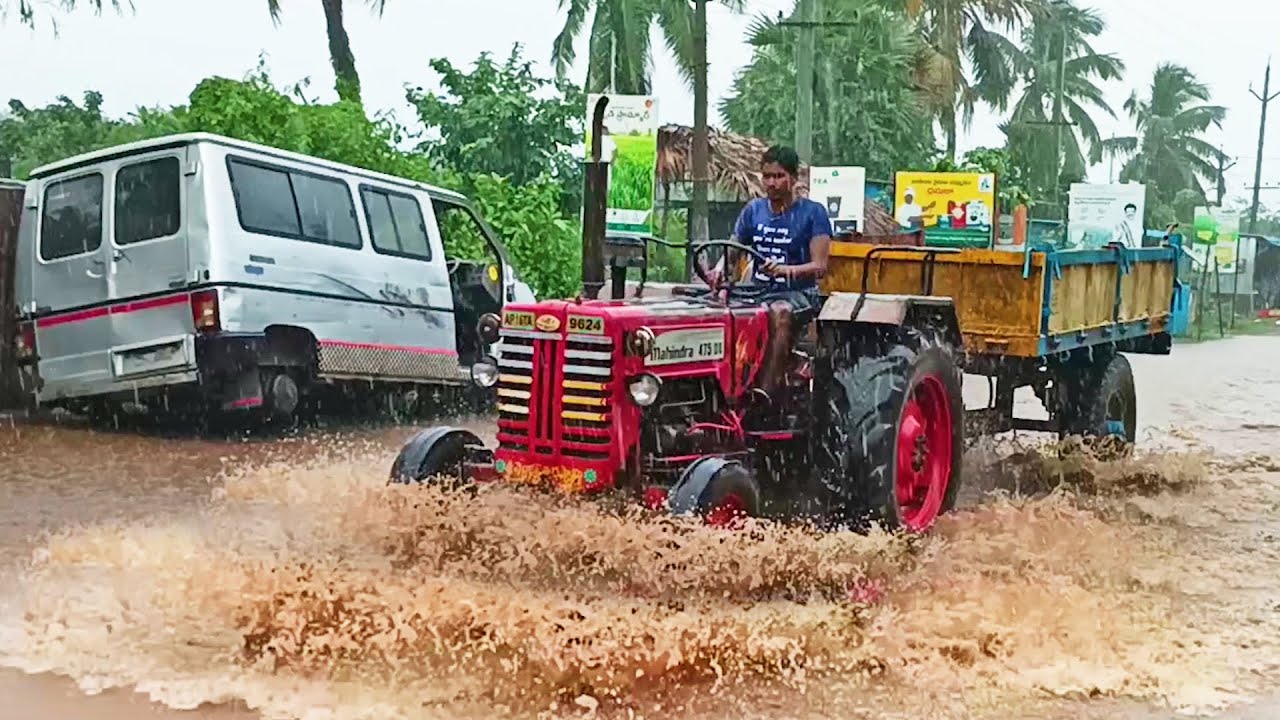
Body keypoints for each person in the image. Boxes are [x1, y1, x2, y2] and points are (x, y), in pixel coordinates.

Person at [706, 144, 832, 396]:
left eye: (778, 176)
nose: (771, 183)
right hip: (757, 290)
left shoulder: (813, 213)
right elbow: (734, 248)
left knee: (779, 312)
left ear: (794, 178)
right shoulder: (754, 210)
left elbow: (820, 267)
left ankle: (765, 393)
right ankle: (721, 386)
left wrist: (786, 270)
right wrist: (719, 268)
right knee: (716, 310)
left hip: (798, 294)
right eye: (767, 176)